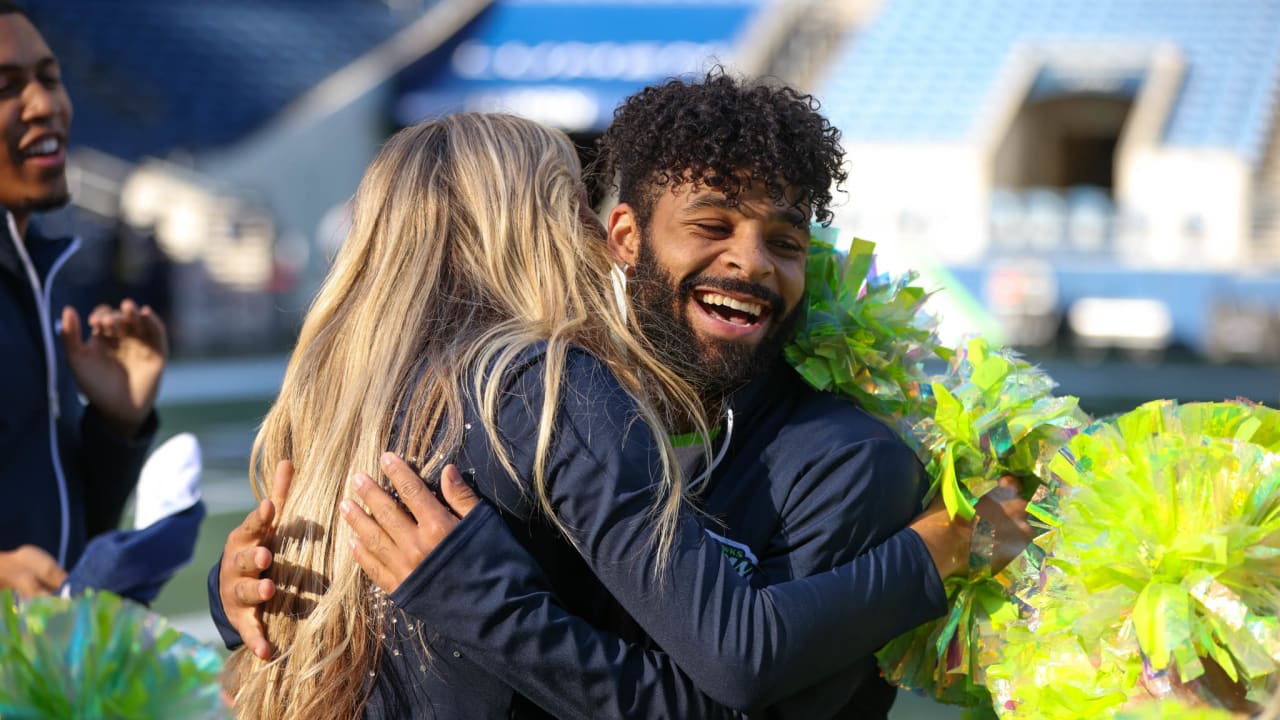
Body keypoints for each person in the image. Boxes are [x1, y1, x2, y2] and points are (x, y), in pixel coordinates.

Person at [214, 85, 1030, 718]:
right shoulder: (548, 388)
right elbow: (733, 667)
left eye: (784, 241)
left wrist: (245, 599)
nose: (749, 262)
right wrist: (947, 548)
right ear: (562, 229)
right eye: (572, 203)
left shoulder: (334, 398)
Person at [0, 1, 166, 597]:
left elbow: (64, 524)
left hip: (39, 676)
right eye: (6, 88)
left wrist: (116, 425)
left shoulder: (38, 272)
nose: (45, 104)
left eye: (49, 77)